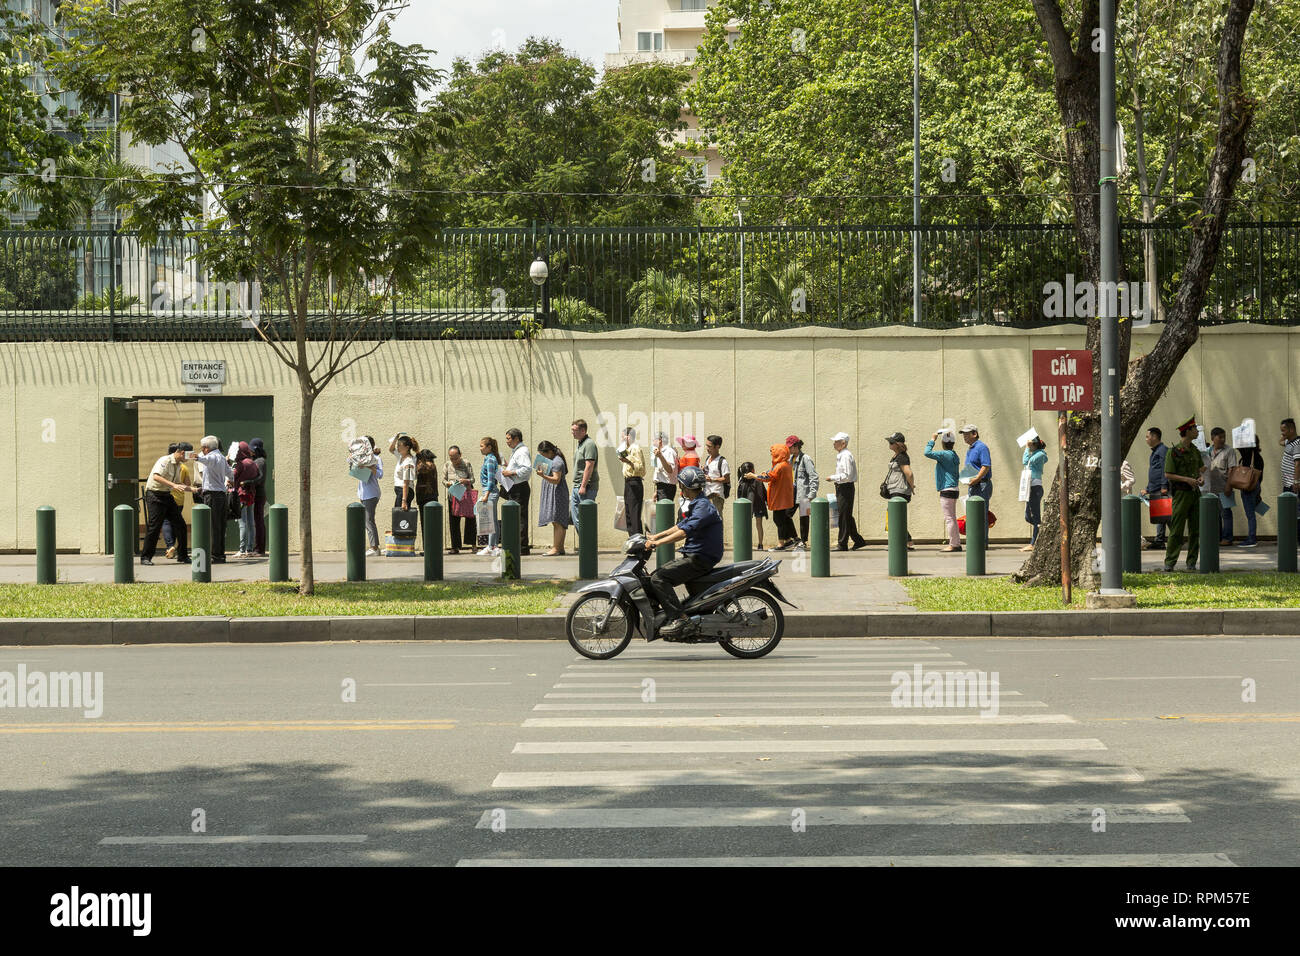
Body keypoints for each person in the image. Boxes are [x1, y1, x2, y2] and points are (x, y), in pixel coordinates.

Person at [643, 466, 723, 638]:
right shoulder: (699, 503)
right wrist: (656, 536)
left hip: (700, 558)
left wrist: (657, 544)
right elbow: (680, 525)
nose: (680, 488)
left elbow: (684, 532)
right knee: (656, 574)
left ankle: (681, 619)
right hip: (696, 555)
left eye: (681, 485)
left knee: (659, 578)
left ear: (686, 487)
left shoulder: (702, 506)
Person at [1162, 416, 1206, 572]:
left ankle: (1192, 562)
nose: (1197, 431)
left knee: (1196, 529)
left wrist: (1200, 478)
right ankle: (1170, 562)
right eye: (1194, 429)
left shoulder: (1194, 450)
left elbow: (1201, 469)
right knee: (1177, 529)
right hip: (1181, 493)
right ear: (1187, 432)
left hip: (1195, 493)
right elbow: (1168, 474)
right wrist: (1187, 479)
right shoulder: (1173, 452)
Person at [141, 443, 191, 565]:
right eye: (189, 455)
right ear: (182, 452)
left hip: (167, 495)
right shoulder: (165, 460)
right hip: (155, 494)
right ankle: (145, 557)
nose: (189, 458)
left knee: (181, 525)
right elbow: (156, 477)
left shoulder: (179, 465)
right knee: (155, 526)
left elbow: (179, 483)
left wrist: (194, 489)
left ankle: (183, 556)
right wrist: (173, 485)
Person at [744, 444, 796, 550]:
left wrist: (754, 476)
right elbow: (772, 474)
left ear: (779, 453)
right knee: (783, 519)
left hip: (779, 497)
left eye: (773, 453)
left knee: (779, 520)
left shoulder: (780, 466)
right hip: (783, 497)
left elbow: (768, 477)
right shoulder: (786, 464)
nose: (772, 455)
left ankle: (781, 543)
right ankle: (789, 540)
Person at [195, 436, 231, 564]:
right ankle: (220, 554)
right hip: (221, 494)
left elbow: (206, 459)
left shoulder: (211, 457)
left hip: (212, 495)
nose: (202, 450)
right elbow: (230, 473)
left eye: (202, 448)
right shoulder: (221, 457)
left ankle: (214, 555)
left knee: (212, 525)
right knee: (220, 525)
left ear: (206, 448)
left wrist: (197, 457)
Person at [829, 432, 867, 551]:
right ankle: (858, 540)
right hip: (843, 487)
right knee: (846, 515)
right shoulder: (842, 454)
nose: (834, 444)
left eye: (836, 441)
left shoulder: (845, 455)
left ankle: (842, 543)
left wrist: (833, 477)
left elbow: (847, 475)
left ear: (843, 443)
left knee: (843, 516)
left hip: (846, 487)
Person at [924, 430, 962, 552]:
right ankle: (956, 543)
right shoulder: (954, 455)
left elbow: (927, 452)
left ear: (943, 443)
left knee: (949, 518)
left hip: (947, 489)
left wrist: (932, 439)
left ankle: (953, 544)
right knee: (952, 518)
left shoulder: (945, 454)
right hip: (954, 488)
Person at [535, 440, 572, 555]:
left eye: (543, 454)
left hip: (557, 493)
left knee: (557, 521)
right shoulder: (553, 460)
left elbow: (556, 480)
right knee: (556, 521)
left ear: (550, 452)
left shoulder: (557, 462)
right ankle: (559, 548)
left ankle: (556, 548)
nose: (542, 457)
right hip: (555, 492)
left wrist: (543, 475)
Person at [500, 427, 533, 556]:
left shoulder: (522, 451)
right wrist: (508, 466)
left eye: (508, 439)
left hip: (520, 488)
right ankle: (518, 545)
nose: (507, 441)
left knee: (521, 518)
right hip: (514, 487)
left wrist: (511, 472)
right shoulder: (516, 451)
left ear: (516, 438)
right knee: (516, 517)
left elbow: (527, 469)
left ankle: (523, 547)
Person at [1205, 427, 1238, 547]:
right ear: (1213, 438)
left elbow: (1232, 469)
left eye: (1224, 437)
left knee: (1226, 513)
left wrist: (1229, 486)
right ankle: (1216, 537)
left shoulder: (1229, 451)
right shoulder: (1207, 450)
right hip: (1210, 487)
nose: (1223, 440)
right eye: (1220, 437)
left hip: (1224, 486)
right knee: (1214, 514)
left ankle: (1227, 538)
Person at [883, 433, 916, 549]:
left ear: (898, 444)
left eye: (892, 442)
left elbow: (909, 473)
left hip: (900, 490)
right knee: (895, 516)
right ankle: (907, 541)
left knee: (894, 516)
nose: (890, 444)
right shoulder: (896, 456)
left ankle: (901, 542)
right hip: (895, 489)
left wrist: (912, 486)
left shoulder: (902, 456)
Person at [161, 442, 193, 559]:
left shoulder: (167, 463)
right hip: (180, 498)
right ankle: (176, 548)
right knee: (177, 523)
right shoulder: (183, 467)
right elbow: (188, 483)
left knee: (166, 522)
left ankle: (170, 545)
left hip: (168, 495)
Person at [443, 445, 476, 555]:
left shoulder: (466, 463)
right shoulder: (447, 464)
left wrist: (465, 481)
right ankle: (455, 546)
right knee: (453, 521)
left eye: (455, 458)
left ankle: (473, 544)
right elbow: (443, 480)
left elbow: (472, 479)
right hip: (453, 495)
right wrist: (448, 483)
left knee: (470, 519)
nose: (453, 460)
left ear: (460, 455)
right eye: (451, 457)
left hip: (466, 495)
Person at [787, 436, 819, 549]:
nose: (789, 449)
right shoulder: (790, 459)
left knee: (804, 518)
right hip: (793, 492)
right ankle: (795, 538)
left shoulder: (806, 458)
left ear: (796, 446)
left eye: (790, 447)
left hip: (804, 493)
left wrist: (812, 494)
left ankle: (803, 542)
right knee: (786, 515)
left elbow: (813, 476)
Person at [354, 435, 383, 556]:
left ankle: (374, 547)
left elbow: (380, 474)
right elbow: (356, 472)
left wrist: (370, 466)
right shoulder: (362, 458)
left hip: (371, 493)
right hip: (363, 493)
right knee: (367, 520)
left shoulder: (376, 458)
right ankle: (374, 547)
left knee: (369, 520)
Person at [959, 424, 992, 528]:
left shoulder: (981, 447)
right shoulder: (971, 448)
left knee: (981, 515)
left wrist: (977, 479)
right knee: (974, 515)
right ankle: (976, 543)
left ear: (974, 434)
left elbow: (986, 466)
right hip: (974, 485)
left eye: (967, 434)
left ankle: (982, 543)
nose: (964, 436)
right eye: (963, 434)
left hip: (981, 485)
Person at [231, 441, 260, 558]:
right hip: (251, 495)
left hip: (241, 495)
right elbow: (257, 476)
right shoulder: (253, 463)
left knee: (242, 523)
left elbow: (233, 476)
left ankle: (242, 549)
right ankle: (249, 548)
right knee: (251, 523)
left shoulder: (240, 464)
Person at [1143, 426, 1170, 549]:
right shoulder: (1155, 451)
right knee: (1162, 516)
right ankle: (1170, 538)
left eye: (1147, 436)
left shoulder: (1162, 450)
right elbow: (1154, 470)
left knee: (1163, 516)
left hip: (1161, 488)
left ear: (1154, 437)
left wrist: (1164, 486)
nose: (1146, 439)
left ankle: (1160, 540)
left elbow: (1165, 468)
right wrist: (1148, 488)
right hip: (1155, 488)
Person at [1020, 436, 1048, 551]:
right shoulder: (1033, 453)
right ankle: (1043, 528)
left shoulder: (1041, 454)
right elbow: (1025, 461)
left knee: (1035, 516)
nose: (1029, 446)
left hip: (1035, 487)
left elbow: (1027, 462)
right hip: (1029, 487)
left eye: (1031, 444)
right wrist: (1027, 448)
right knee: (1028, 516)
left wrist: (1027, 449)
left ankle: (1033, 543)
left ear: (1035, 444)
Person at [570, 419, 598, 531]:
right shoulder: (581, 444)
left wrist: (583, 485)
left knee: (585, 518)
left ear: (583, 430)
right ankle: (584, 544)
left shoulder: (589, 444)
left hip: (586, 488)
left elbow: (589, 465)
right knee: (576, 517)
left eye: (574, 430)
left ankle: (588, 546)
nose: (572, 432)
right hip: (577, 486)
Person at [618, 427, 646, 537]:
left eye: (623, 436)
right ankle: (632, 540)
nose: (621, 438)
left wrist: (627, 460)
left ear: (629, 436)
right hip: (628, 482)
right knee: (629, 514)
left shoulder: (635, 448)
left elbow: (640, 468)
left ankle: (638, 542)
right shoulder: (627, 448)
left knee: (634, 514)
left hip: (634, 481)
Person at [735, 460, 769, 550]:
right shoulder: (758, 480)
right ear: (753, 470)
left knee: (746, 524)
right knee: (759, 524)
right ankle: (760, 544)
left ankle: (745, 543)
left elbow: (739, 496)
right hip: (759, 505)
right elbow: (764, 493)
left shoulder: (742, 482)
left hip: (746, 506)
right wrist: (767, 502)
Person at [1236, 438, 1263, 548]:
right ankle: (1278, 524)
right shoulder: (1259, 457)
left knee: (1250, 514)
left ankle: (1252, 538)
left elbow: (1238, 445)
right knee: (1258, 507)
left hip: (1248, 488)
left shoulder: (1248, 456)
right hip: (1256, 486)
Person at [478, 436, 502, 556]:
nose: (480, 448)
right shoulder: (488, 458)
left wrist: (486, 495)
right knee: (492, 520)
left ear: (489, 447)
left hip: (490, 492)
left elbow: (491, 479)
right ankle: (493, 545)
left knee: (490, 521)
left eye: (482, 446)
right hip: (488, 492)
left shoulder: (491, 460)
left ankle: (491, 546)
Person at [414, 448, 440, 555]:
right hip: (432, 496)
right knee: (432, 525)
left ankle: (428, 549)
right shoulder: (432, 465)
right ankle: (431, 548)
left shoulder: (426, 465)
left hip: (425, 497)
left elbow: (419, 471)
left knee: (426, 524)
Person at [702, 435, 730, 531]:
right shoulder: (707, 459)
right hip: (706, 494)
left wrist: (712, 480)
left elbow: (726, 479)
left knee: (717, 519)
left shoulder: (723, 461)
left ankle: (718, 543)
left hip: (717, 495)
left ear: (717, 447)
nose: (707, 448)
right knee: (706, 520)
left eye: (709, 446)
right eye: (706, 446)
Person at [1282, 418, 1300, 545]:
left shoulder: (1297, 444)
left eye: (1283, 430)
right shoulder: (1290, 441)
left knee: (1296, 513)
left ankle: (1297, 539)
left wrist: (1296, 481)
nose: (1281, 433)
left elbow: (1298, 464)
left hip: (1293, 484)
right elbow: (1281, 441)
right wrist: (1285, 438)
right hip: (1287, 484)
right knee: (1290, 512)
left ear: (1291, 429)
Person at [249, 437, 268, 556]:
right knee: (257, 521)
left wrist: (249, 482)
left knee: (259, 521)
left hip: (259, 495)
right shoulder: (257, 460)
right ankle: (258, 548)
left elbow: (260, 478)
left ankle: (260, 549)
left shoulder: (260, 461)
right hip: (257, 494)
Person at [650, 432, 678, 505]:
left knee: (664, 513)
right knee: (661, 513)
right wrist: (657, 491)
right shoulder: (660, 452)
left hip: (667, 488)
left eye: (654, 440)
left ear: (660, 440)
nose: (653, 442)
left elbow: (670, 469)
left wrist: (660, 456)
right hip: (661, 487)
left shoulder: (668, 451)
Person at [392, 435, 417, 512]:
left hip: (405, 491)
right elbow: (391, 449)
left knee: (399, 517)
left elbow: (406, 482)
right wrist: (395, 439)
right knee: (398, 516)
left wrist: (404, 501)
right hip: (400, 491)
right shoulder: (401, 456)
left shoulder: (409, 462)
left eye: (400, 445)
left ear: (407, 447)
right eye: (397, 445)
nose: (398, 447)